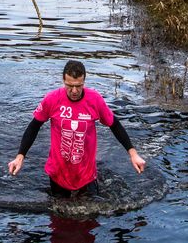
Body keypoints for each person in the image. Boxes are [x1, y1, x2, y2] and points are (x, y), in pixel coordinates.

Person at [8, 59, 146, 199]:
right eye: (69, 86)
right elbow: (34, 126)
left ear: (84, 81)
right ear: (63, 81)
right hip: (58, 172)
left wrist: (133, 154)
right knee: (59, 210)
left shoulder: (95, 100)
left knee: (91, 210)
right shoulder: (52, 99)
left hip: (86, 173)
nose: (74, 91)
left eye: (78, 86)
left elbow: (114, 125)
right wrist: (20, 156)